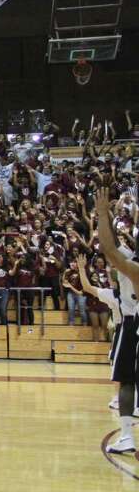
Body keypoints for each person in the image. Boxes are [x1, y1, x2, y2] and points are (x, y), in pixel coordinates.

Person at [95, 187, 139, 454]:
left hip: (134, 323)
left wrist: (102, 213)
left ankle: (126, 436)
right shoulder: (132, 259)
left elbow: (109, 249)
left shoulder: (133, 267)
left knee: (126, 381)